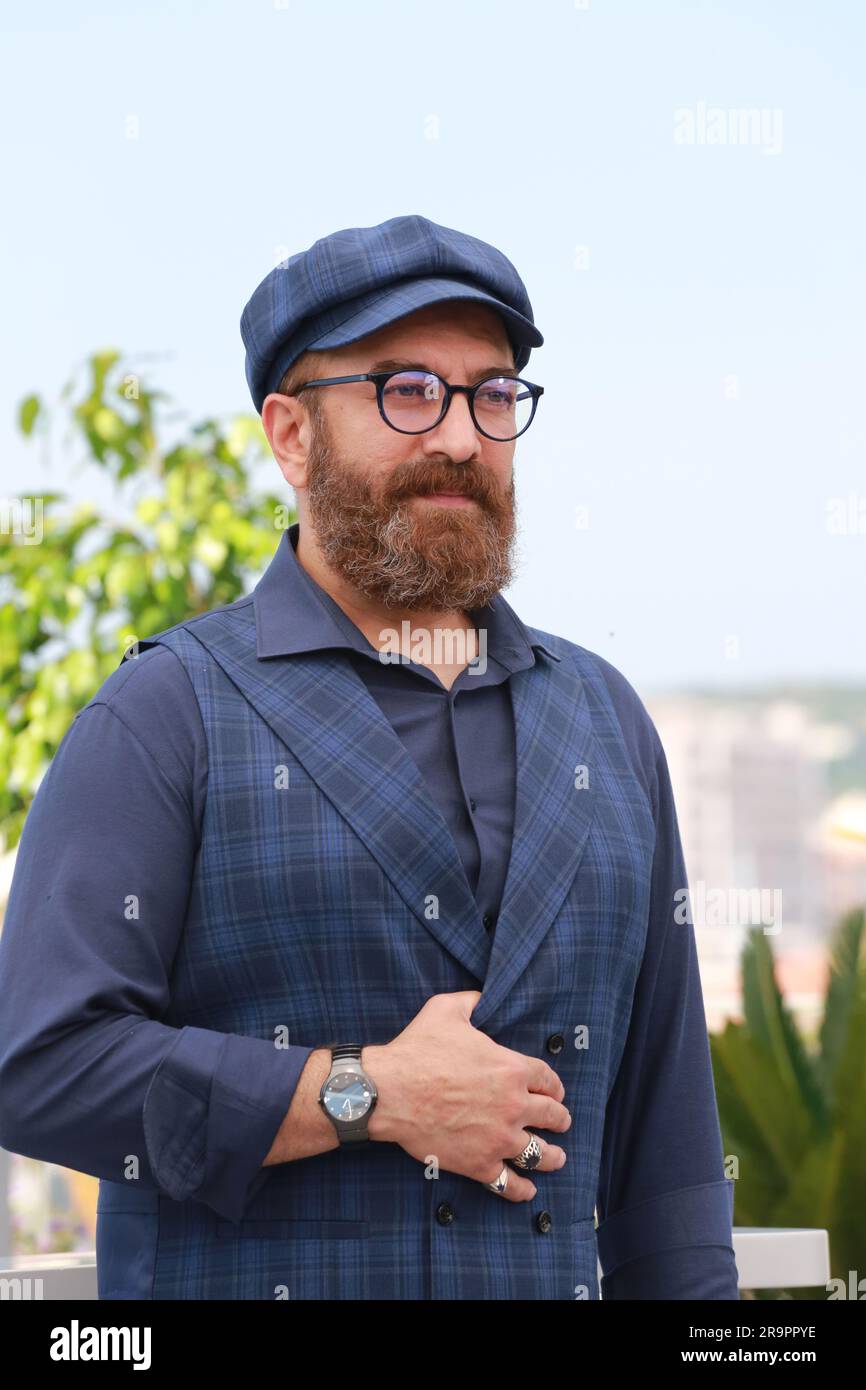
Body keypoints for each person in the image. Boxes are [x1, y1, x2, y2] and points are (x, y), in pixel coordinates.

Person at [0, 214, 739, 1300]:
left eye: (490, 394)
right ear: (290, 435)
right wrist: (361, 1091)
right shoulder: (167, 711)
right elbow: (37, 1062)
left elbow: (665, 1163)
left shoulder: (606, 721)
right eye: (405, 389)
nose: (458, 436)